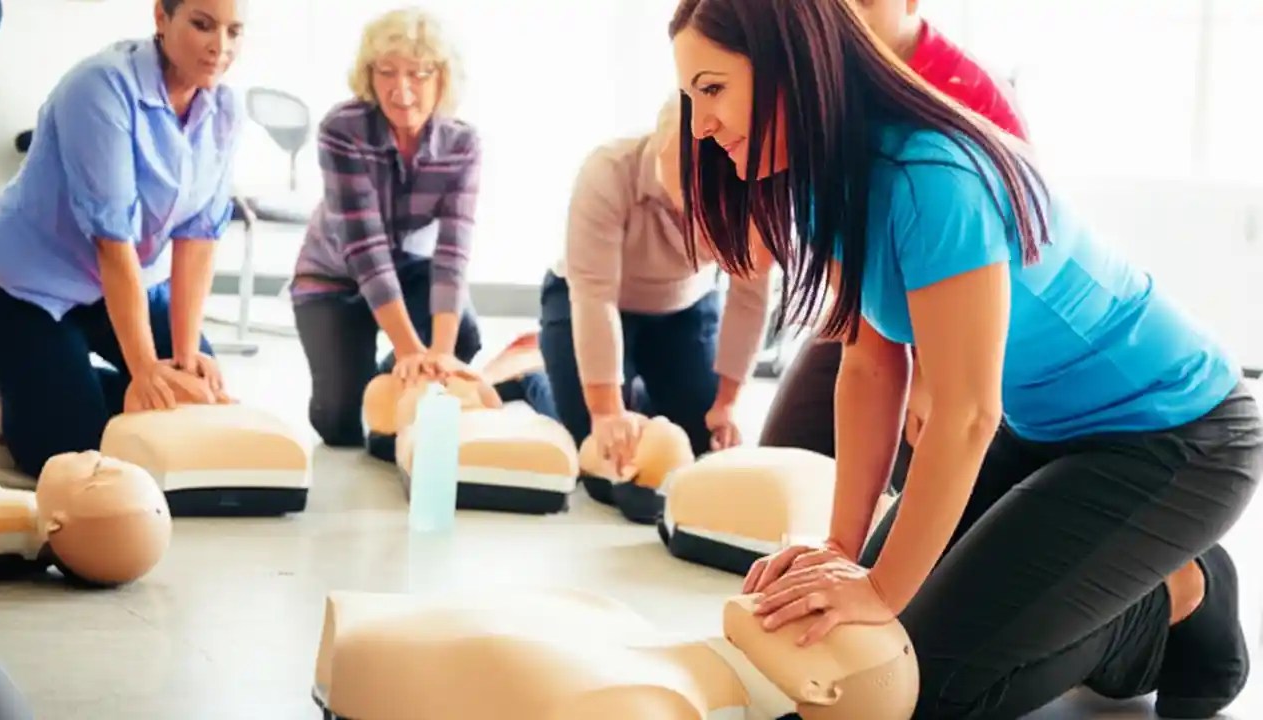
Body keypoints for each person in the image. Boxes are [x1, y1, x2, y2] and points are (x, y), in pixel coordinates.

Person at [668, 1, 1261, 718]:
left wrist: (881, 589)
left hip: (1180, 436)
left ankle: (1175, 594)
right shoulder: (825, 176)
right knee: (876, 644)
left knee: (926, 690)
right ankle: (1122, 574)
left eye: (711, 89)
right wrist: (843, 552)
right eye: (689, 98)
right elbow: (871, 368)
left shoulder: (931, 176)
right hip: (1045, 431)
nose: (699, 123)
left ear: (793, 68)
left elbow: (966, 411)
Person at [759, 0, 1029, 493]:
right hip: (878, 306)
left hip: (962, 328)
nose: (849, 15)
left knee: (933, 479)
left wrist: (927, 376)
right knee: (785, 449)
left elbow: (1001, 255)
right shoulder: (827, 79)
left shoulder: (969, 91)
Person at [0, 0, 245, 478]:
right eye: (203, 25)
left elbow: (198, 237)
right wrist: (144, 369)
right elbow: (112, 242)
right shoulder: (100, 88)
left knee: (196, 398)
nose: (219, 47)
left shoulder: (224, 108)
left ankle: (59, 381)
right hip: (26, 283)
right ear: (161, 19)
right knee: (67, 447)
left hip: (124, 287)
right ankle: (2, 391)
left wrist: (185, 360)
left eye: (234, 32)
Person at [290, 7, 555, 449]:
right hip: (332, 277)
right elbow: (365, 250)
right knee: (340, 425)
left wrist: (441, 356)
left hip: (408, 265)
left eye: (419, 73)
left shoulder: (462, 144)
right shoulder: (343, 129)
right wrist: (411, 350)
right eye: (387, 72)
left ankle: (505, 370)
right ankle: (397, 367)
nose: (402, 90)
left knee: (459, 339)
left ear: (442, 77)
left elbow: (452, 253)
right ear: (369, 75)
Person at [538, 97, 770, 469]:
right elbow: (594, 298)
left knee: (698, 441)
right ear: (661, 151)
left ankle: (638, 386)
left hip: (683, 306)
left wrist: (726, 403)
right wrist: (607, 412)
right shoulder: (608, 171)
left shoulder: (749, 180)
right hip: (591, 301)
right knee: (598, 445)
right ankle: (534, 374)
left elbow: (750, 297)